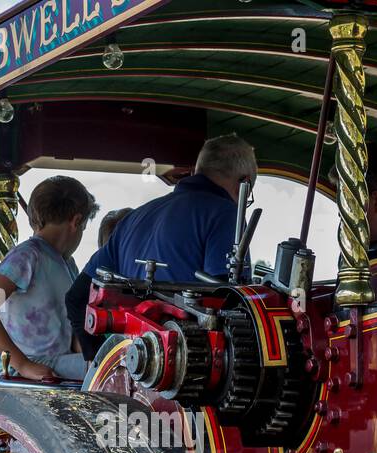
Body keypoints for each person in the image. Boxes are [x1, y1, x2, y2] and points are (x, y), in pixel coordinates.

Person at [66, 134, 258, 359]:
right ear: (243, 183)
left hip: (130, 370)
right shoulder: (227, 215)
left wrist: (99, 362)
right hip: (186, 373)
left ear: (198, 171)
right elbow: (234, 310)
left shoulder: (135, 217)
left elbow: (76, 298)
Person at [0, 175, 98, 382]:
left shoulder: (67, 264)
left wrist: (90, 356)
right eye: (82, 229)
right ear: (76, 221)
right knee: (116, 371)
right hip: (27, 362)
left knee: (109, 367)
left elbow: (72, 327)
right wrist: (23, 364)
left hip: (55, 360)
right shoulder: (27, 257)